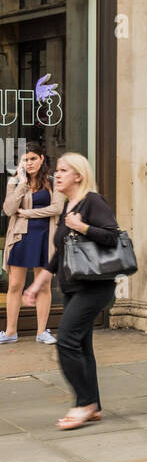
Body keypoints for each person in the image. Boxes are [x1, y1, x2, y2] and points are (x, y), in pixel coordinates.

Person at [22, 153, 119, 430]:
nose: (58, 174)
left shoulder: (92, 202)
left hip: (94, 286)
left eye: (64, 170)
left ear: (79, 175)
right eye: (58, 170)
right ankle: (94, 406)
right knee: (81, 346)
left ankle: (84, 403)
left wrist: (83, 227)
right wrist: (39, 284)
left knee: (65, 340)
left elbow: (111, 236)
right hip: (74, 286)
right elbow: (60, 252)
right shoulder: (69, 205)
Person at [2, 142, 63, 345]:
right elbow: (9, 209)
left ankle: (41, 331)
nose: (29, 163)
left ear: (41, 158)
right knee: (15, 285)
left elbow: (57, 208)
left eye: (33, 158)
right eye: (25, 159)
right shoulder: (14, 181)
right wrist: (21, 183)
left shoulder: (53, 181)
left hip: (45, 237)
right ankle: (10, 332)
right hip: (20, 237)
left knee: (43, 285)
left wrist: (27, 213)